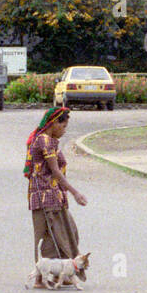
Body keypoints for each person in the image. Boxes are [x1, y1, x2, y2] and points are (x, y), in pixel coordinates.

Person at [24, 106, 88, 283]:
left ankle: (62, 274)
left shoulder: (49, 140)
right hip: (45, 196)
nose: (64, 130)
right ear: (53, 123)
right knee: (52, 237)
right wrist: (75, 193)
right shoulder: (44, 141)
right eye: (64, 126)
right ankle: (41, 278)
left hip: (54, 195)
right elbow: (55, 171)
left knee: (67, 232)